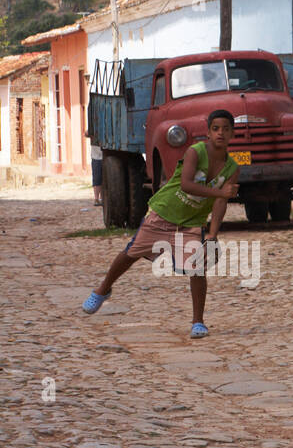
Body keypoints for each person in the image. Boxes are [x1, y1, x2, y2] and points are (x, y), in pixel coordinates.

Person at [81, 109, 239, 339]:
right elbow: (186, 184)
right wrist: (219, 191)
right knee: (131, 253)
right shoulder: (196, 152)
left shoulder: (232, 168)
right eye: (215, 128)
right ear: (208, 132)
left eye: (226, 129)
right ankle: (103, 289)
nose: (220, 133)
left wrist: (213, 235)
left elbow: (220, 202)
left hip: (191, 222)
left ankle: (198, 322)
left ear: (233, 133)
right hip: (163, 212)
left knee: (197, 268)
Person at [89, 140, 103, 206]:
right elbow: (86, 133)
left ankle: (102, 198)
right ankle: (96, 199)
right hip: (96, 157)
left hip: (105, 155)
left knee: (104, 179)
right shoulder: (94, 129)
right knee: (97, 179)